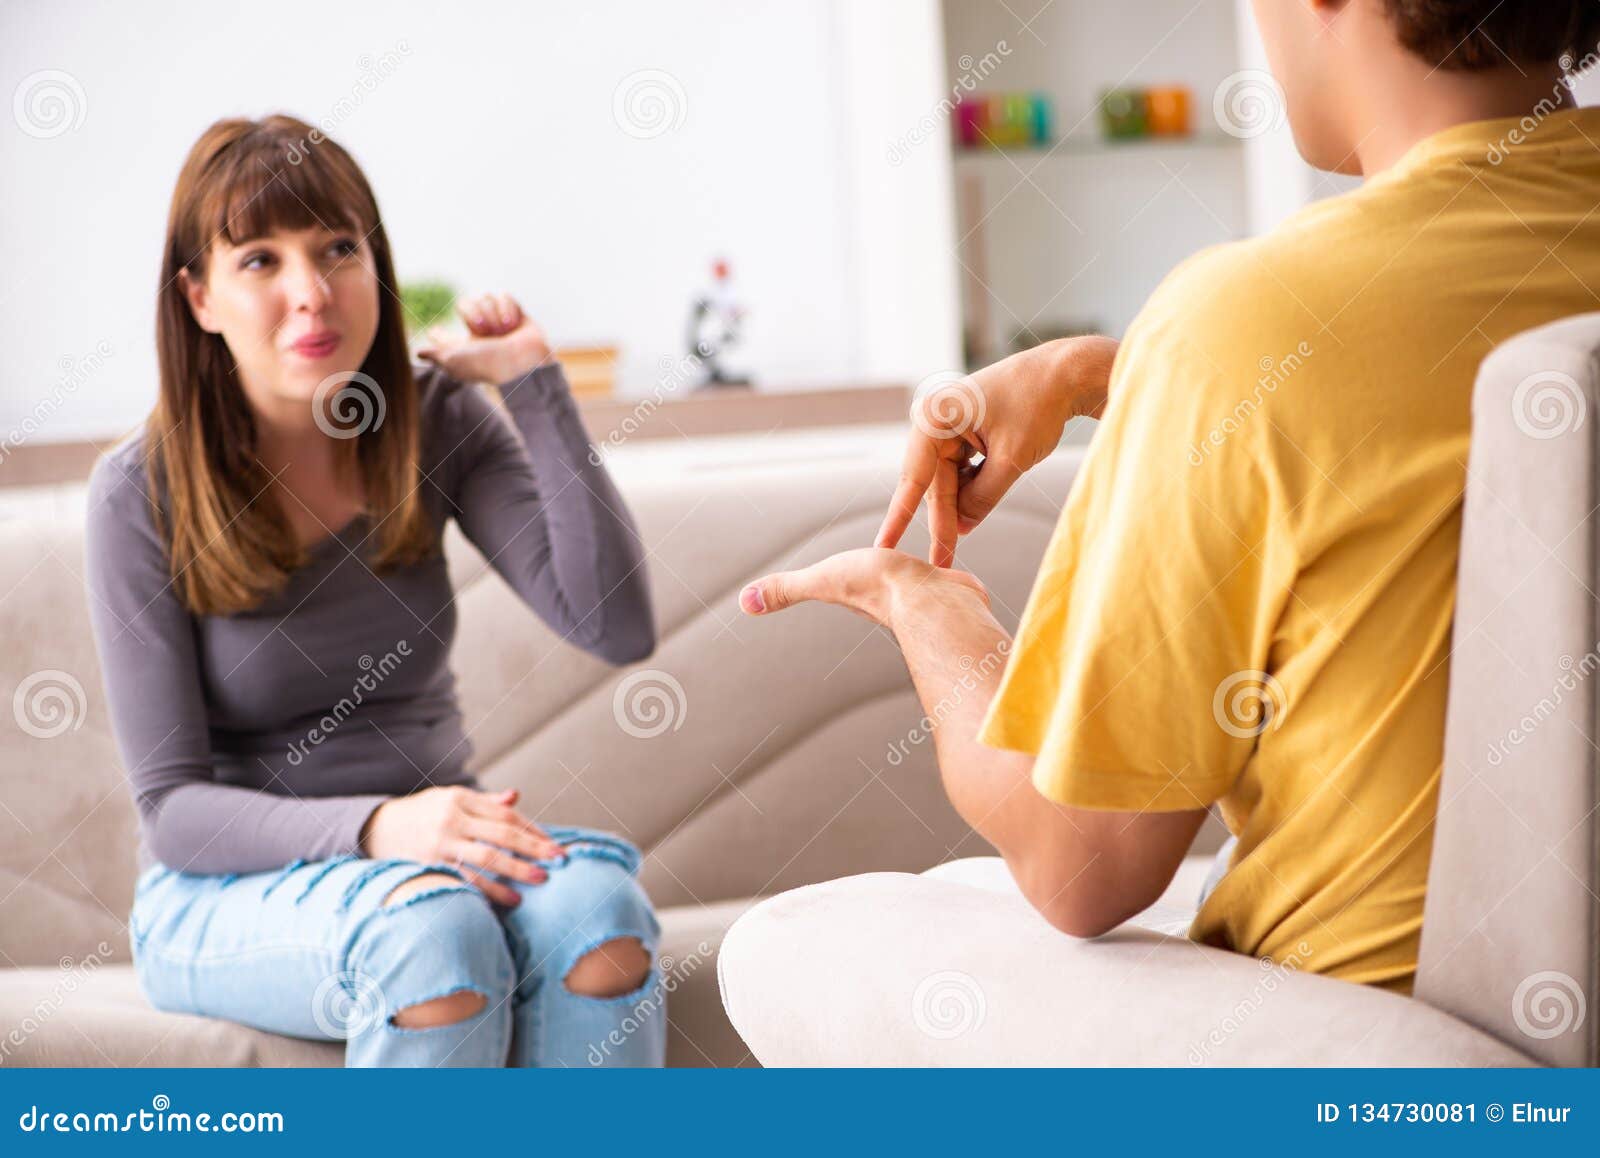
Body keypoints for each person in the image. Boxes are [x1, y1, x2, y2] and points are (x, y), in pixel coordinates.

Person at [739, 0, 1600, 996]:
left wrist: (924, 608)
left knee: (792, 950)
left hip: (1377, 1043)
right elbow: (1491, 416)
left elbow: (1084, 864)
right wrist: (1121, 377)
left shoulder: (1244, 320)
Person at [85, 114, 665, 1066]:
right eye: (261, 262)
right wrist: (382, 827)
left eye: (337, 249)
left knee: (600, 921)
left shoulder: (435, 425)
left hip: (434, 856)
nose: (312, 295)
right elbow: (176, 813)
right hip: (225, 891)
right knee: (433, 942)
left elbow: (615, 626)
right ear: (199, 299)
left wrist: (531, 383)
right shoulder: (138, 492)